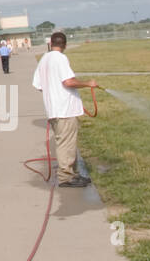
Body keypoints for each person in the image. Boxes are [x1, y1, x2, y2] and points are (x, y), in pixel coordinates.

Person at [31, 32, 99, 188]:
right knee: (65, 144)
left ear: (51, 43)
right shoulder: (60, 59)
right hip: (64, 111)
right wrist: (88, 83)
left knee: (67, 142)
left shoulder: (44, 59)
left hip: (54, 109)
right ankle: (66, 177)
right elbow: (68, 81)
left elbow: (38, 85)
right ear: (65, 45)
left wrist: (53, 94)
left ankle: (73, 174)